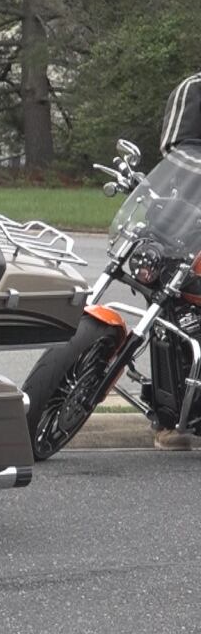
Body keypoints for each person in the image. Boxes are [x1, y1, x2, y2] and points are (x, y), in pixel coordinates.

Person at [152, 71, 201, 451]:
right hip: (183, 218)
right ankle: (169, 416)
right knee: (167, 308)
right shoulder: (194, 89)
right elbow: (174, 153)